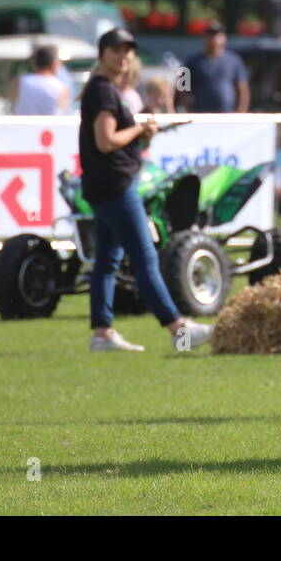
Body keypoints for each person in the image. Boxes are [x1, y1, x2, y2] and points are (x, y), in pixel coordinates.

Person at [79, 27, 213, 352]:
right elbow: (106, 140)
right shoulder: (104, 91)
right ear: (102, 54)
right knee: (145, 257)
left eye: (128, 50)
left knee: (107, 261)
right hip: (115, 186)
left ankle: (102, 333)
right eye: (116, 50)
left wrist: (144, 133)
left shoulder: (103, 89)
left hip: (105, 184)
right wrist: (139, 127)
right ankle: (178, 329)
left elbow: (115, 141)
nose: (124, 56)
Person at [180, 22, 249, 113]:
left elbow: (243, 89)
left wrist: (241, 113)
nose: (214, 39)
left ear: (224, 38)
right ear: (204, 38)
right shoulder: (191, 61)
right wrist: (188, 112)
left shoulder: (235, 60)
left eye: (217, 35)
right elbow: (182, 89)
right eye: (210, 35)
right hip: (200, 115)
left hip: (227, 116)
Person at [12, 45, 69, 115]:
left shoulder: (20, 82)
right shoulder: (61, 87)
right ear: (53, 64)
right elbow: (63, 112)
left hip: (23, 125)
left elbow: (14, 106)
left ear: (35, 63)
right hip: (49, 126)